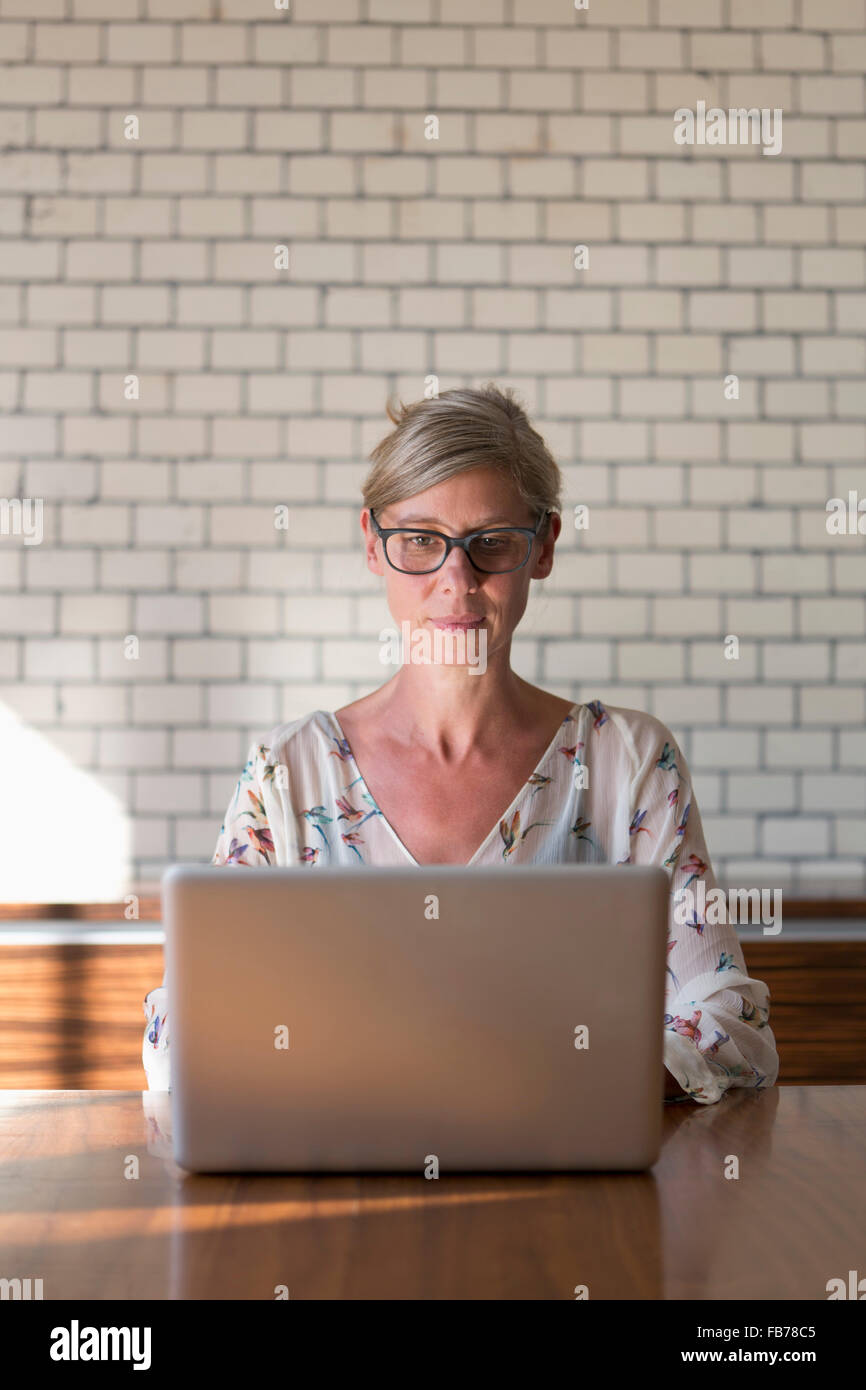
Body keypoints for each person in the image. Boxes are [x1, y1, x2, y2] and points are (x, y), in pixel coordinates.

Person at [143, 383, 779, 1106]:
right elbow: (184, 1034)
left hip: (571, 1196)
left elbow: (733, 1018)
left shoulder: (628, 763)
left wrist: (578, 1078)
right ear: (373, 547)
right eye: (420, 540)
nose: (457, 582)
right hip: (340, 1190)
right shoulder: (287, 775)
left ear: (542, 548)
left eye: (491, 544)